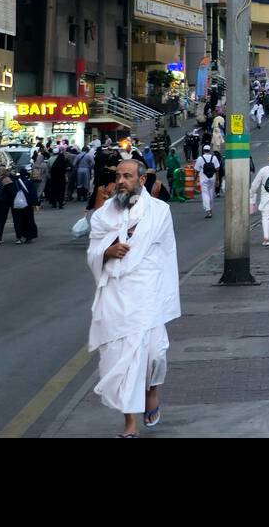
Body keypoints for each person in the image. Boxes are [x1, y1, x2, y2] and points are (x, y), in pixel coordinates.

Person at [87, 160, 181, 438]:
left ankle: (152, 391)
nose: (121, 181)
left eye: (127, 176)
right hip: (116, 295)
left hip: (148, 293)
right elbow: (93, 248)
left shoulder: (160, 212)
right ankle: (130, 425)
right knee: (122, 359)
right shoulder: (103, 214)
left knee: (154, 354)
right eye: (118, 176)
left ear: (141, 180)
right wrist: (107, 251)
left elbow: (166, 254)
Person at [6, 161, 39, 244]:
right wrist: (35, 204)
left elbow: (10, 193)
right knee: (28, 220)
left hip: (16, 205)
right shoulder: (29, 183)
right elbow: (33, 194)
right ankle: (28, 236)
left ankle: (19, 237)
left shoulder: (14, 183)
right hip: (27, 205)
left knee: (17, 221)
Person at [196, 144, 222, 218]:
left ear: (203, 150)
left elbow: (197, 170)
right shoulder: (213, 158)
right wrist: (217, 179)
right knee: (211, 193)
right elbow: (217, 169)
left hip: (203, 177)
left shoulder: (200, 158)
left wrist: (195, 180)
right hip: (212, 177)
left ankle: (208, 210)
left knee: (205, 194)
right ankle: (210, 208)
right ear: (209, 150)